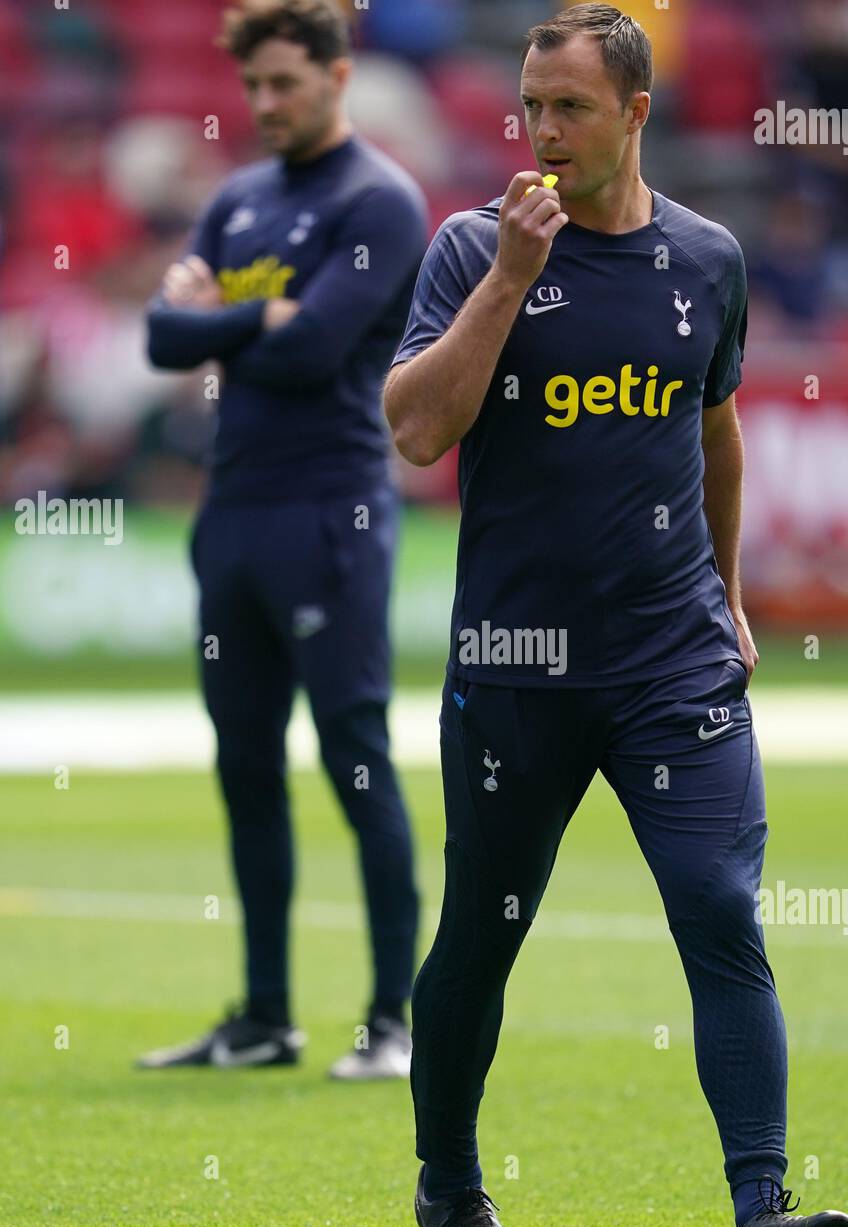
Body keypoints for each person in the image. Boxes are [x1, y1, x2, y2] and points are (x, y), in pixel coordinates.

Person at [384, 4, 848, 1227]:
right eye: (529, 107)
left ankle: (760, 1208)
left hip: (671, 660)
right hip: (516, 667)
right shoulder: (471, 246)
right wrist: (505, 283)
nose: (540, 133)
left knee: (717, 904)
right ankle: (450, 1188)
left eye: (570, 108)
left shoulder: (707, 259)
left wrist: (732, 592)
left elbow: (715, 430)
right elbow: (418, 431)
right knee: (482, 930)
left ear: (635, 114)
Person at [140, 0, 425, 1080]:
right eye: (253, 87)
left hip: (330, 512)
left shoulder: (379, 200)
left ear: (337, 77)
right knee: (244, 763)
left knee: (355, 756)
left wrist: (248, 322)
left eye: (285, 85)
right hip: (234, 515)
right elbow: (161, 335)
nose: (264, 105)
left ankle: (390, 1021)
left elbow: (311, 353)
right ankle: (263, 1016)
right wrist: (250, 320)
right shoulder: (240, 198)